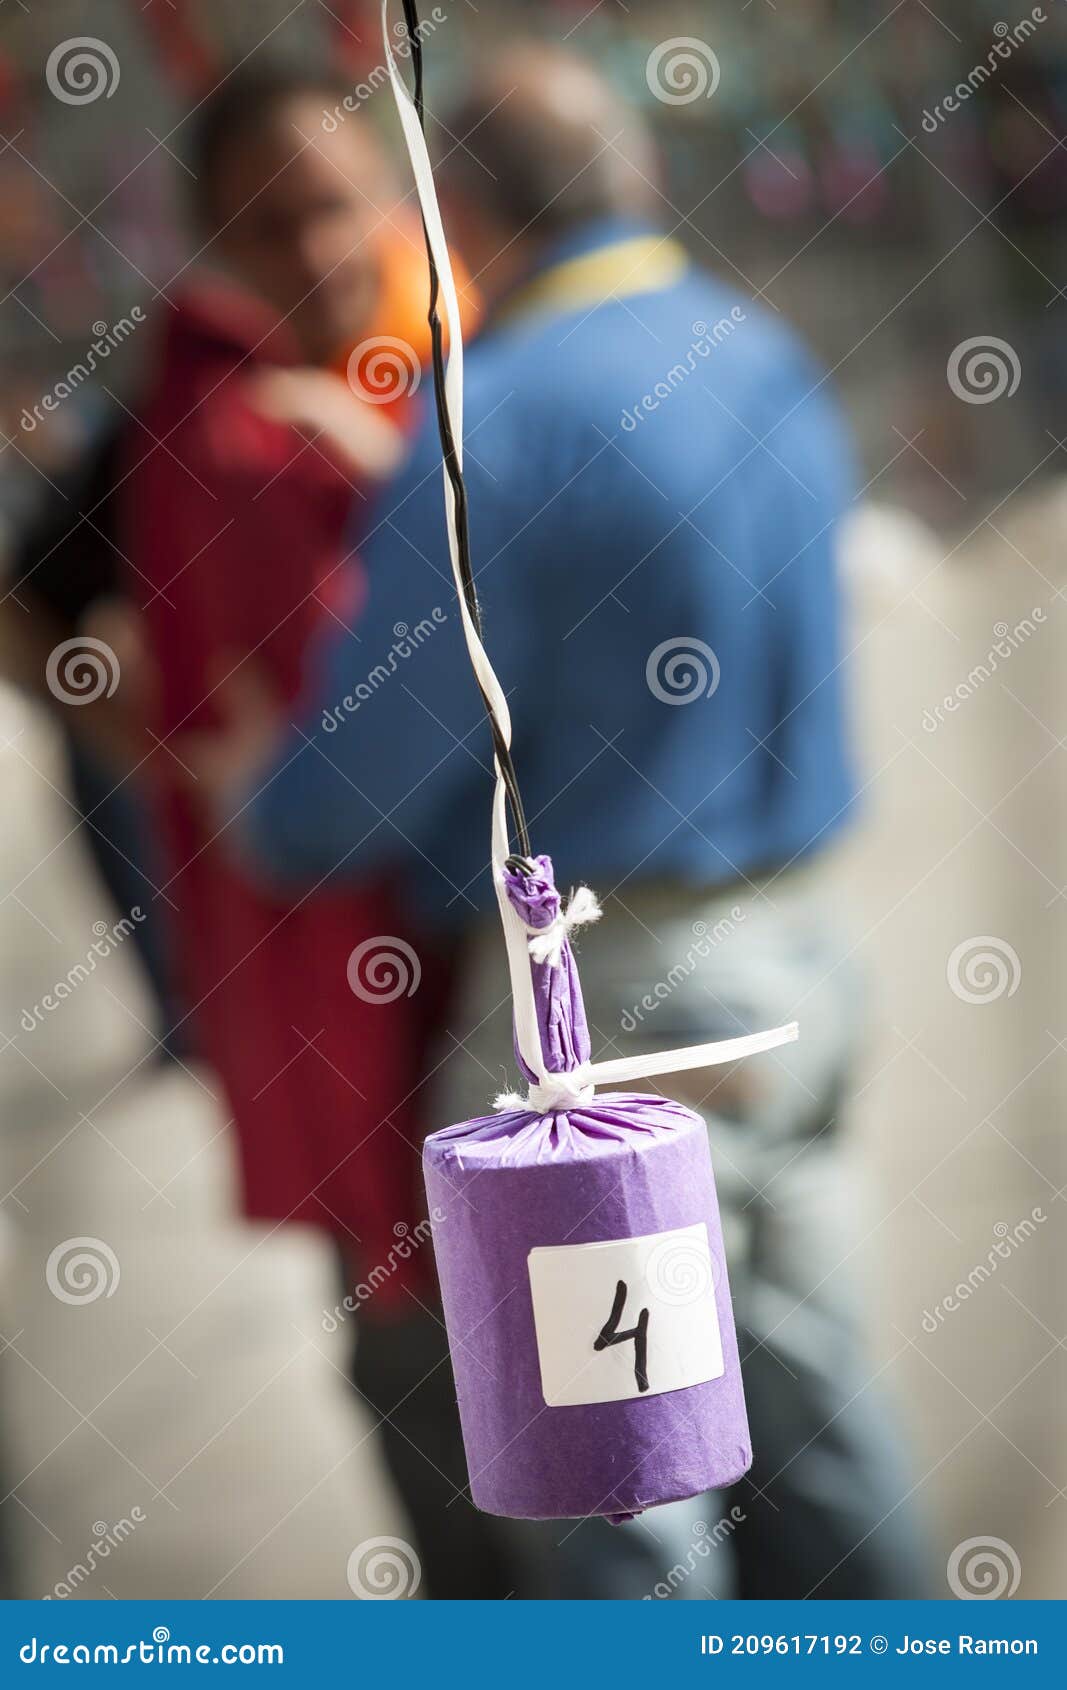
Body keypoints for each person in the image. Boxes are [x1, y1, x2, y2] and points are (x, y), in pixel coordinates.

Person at [197, 47, 929, 1599]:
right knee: (817, 1426)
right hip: (799, 958)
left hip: (611, 1010)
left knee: (616, 1498)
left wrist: (255, 791)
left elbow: (352, 786)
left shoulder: (494, 425)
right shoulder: (757, 344)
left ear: (452, 214)